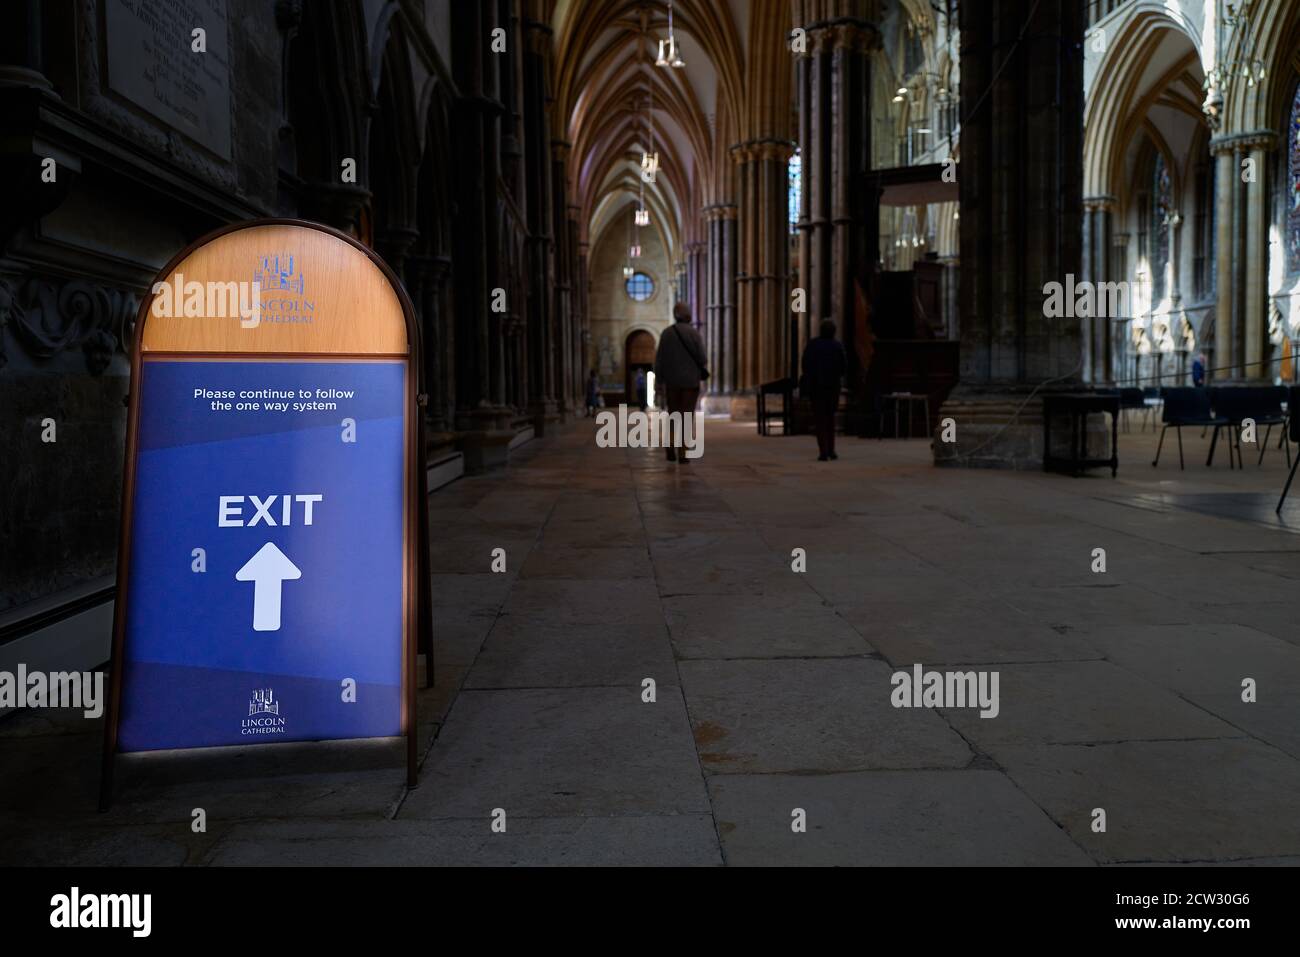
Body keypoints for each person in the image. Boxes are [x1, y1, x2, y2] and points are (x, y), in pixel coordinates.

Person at [653, 301, 709, 463]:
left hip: (672, 382)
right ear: (688, 316)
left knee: (673, 414)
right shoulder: (694, 333)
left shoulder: (666, 333)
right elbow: (702, 358)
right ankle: (683, 453)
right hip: (690, 383)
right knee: (686, 416)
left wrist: (659, 382)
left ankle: (670, 445)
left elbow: (659, 360)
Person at [801, 318, 846, 461]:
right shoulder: (837, 346)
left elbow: (805, 365)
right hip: (832, 387)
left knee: (820, 420)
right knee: (830, 418)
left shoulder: (813, 345)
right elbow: (843, 367)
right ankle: (832, 450)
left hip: (817, 387)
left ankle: (823, 451)